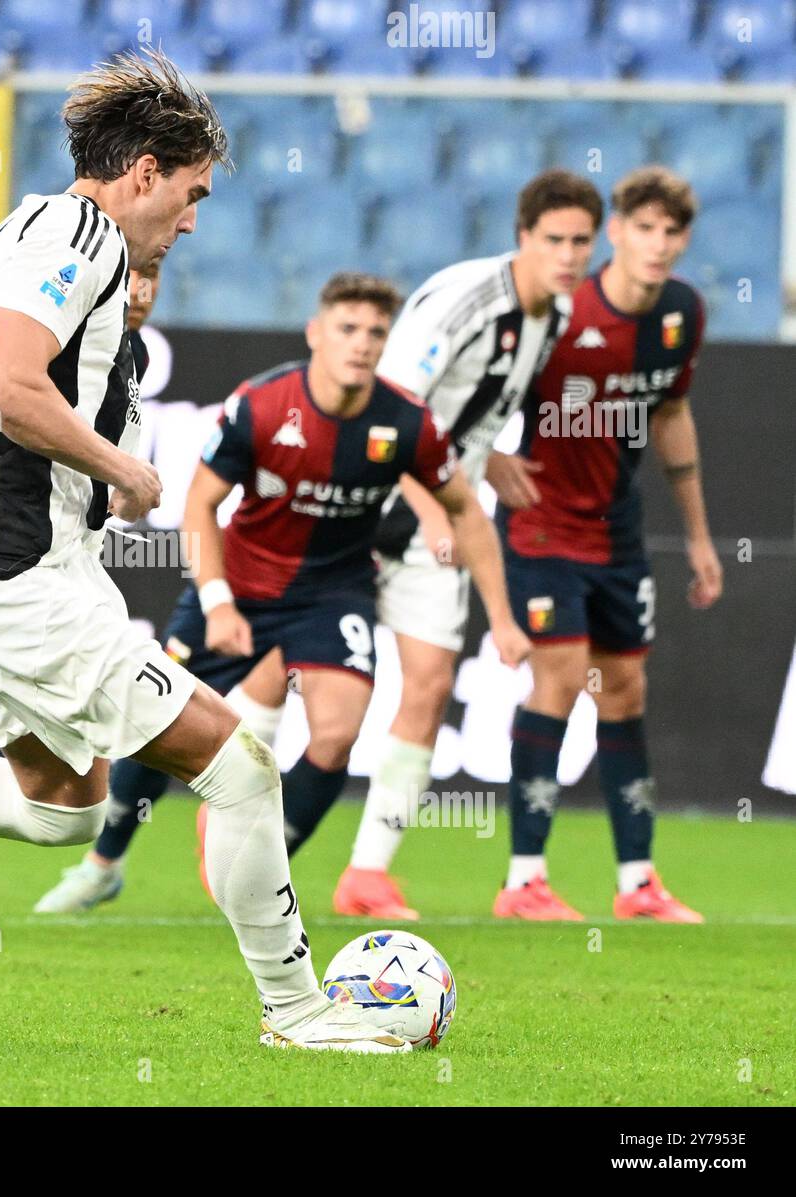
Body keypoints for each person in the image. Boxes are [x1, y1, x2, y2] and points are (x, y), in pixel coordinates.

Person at [0, 50, 424, 1052]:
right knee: (240, 768)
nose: (190, 220)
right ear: (142, 172)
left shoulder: (5, 249)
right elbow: (9, 386)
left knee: (63, 811)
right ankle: (296, 1010)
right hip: (22, 586)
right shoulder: (80, 235)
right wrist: (124, 470)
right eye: (187, 195)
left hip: (7, 581)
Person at [35, 269, 533, 913]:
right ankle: (103, 864)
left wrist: (502, 616)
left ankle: (260, 874)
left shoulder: (405, 421)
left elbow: (464, 508)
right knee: (156, 724)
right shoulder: (263, 404)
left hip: (335, 594)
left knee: (336, 733)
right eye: (348, 329)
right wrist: (216, 602)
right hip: (240, 587)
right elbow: (201, 505)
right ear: (316, 334)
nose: (362, 344)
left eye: (376, 333)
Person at [330, 169, 603, 920]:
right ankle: (195, 821)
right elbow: (389, 405)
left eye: (582, 241)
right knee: (279, 675)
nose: (570, 255)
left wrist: (488, 461)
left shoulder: (550, 317)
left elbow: (469, 413)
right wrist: (436, 504)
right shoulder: (466, 299)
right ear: (523, 237)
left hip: (439, 510)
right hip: (365, 500)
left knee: (427, 681)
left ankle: (366, 873)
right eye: (556, 239)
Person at [491, 165, 720, 922]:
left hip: (618, 531)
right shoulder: (558, 312)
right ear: (616, 232)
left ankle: (637, 885)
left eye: (672, 232)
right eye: (644, 228)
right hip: (541, 523)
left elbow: (673, 414)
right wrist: (488, 460)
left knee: (624, 690)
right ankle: (524, 879)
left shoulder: (683, 312)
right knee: (559, 677)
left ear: (684, 240)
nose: (658, 245)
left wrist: (698, 536)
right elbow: (477, 397)